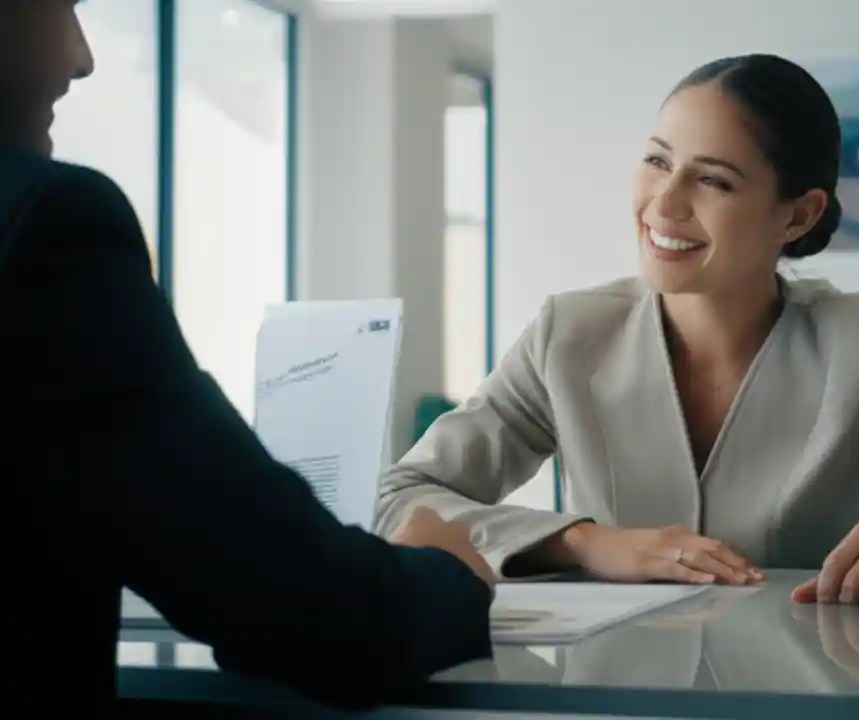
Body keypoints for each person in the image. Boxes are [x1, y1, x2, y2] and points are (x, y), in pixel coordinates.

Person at [376, 53, 859, 606]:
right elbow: (401, 497)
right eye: (657, 161)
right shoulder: (568, 334)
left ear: (798, 215)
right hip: (620, 703)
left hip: (819, 702)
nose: (664, 203)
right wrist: (586, 544)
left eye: (713, 180)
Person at [1, 1, 495, 709]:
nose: (81, 57)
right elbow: (307, 609)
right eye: (61, 7)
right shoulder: (43, 231)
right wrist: (451, 576)